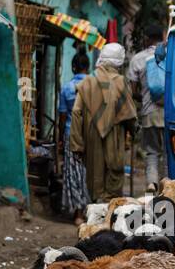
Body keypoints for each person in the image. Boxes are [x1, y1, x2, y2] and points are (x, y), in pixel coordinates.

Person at [70, 42, 137, 202]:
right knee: (113, 177)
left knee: (95, 176)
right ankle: (109, 214)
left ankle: (96, 210)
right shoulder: (121, 82)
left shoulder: (87, 82)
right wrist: (134, 131)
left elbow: (76, 112)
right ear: (119, 63)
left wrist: (77, 145)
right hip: (114, 137)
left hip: (91, 136)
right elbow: (129, 115)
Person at [126, 26, 167, 192]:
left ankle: (152, 182)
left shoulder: (137, 59)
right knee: (167, 153)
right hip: (169, 114)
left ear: (147, 39)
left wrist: (143, 97)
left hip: (148, 113)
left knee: (152, 152)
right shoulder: (171, 56)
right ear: (161, 37)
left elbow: (133, 91)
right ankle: (166, 185)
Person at [59, 50, 92, 222]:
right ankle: (88, 211)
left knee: (73, 173)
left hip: (70, 135)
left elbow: (62, 115)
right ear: (88, 67)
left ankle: (78, 213)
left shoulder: (66, 87)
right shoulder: (94, 86)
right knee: (88, 172)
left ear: (73, 67)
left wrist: (59, 138)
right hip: (90, 137)